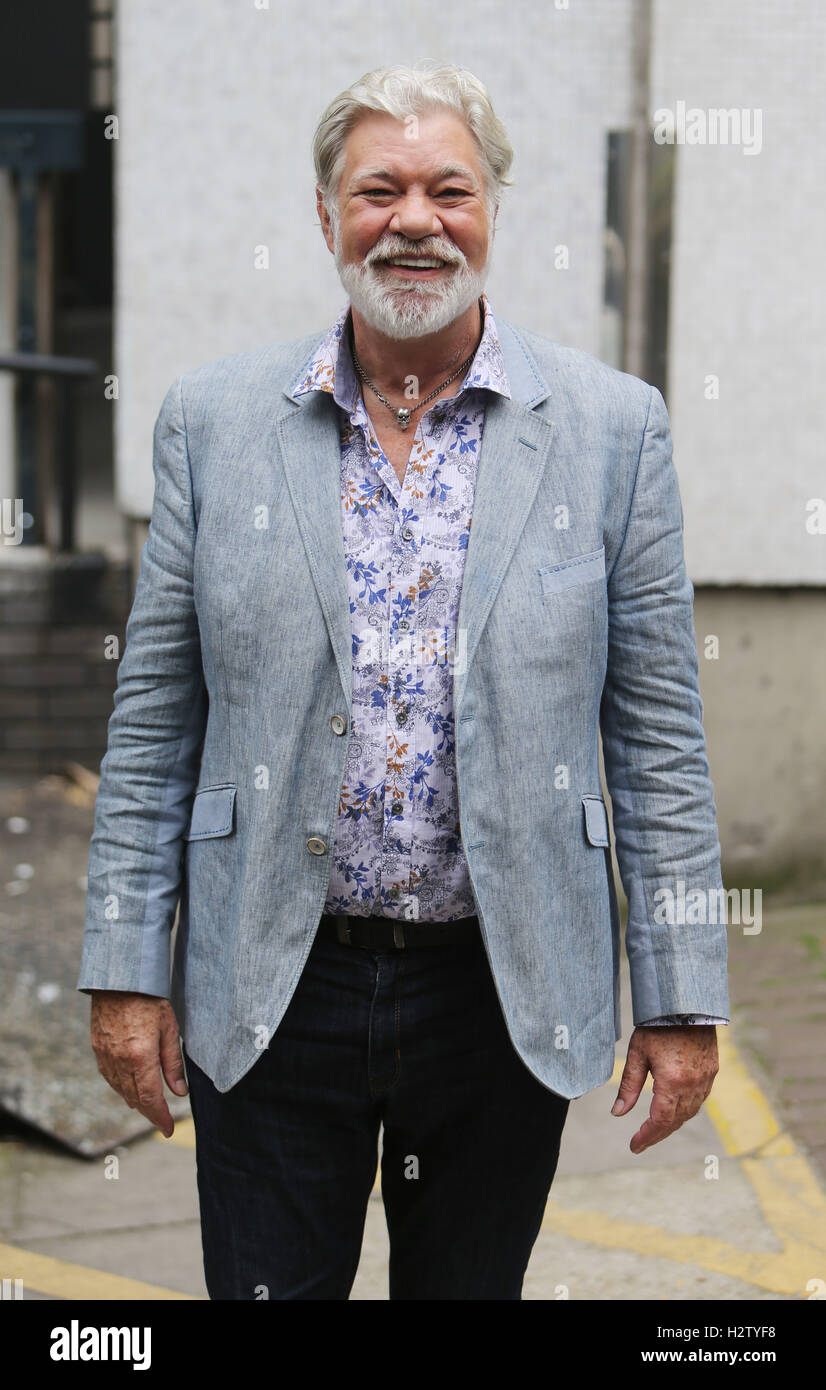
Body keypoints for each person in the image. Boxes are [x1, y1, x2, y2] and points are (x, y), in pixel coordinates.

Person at [78, 62, 729, 1300]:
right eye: (378, 190)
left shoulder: (611, 430)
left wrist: (683, 991)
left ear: (491, 213)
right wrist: (124, 972)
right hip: (272, 974)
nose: (415, 220)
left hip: (499, 986)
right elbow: (156, 717)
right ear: (327, 218)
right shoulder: (213, 421)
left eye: (450, 189)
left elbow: (657, 738)